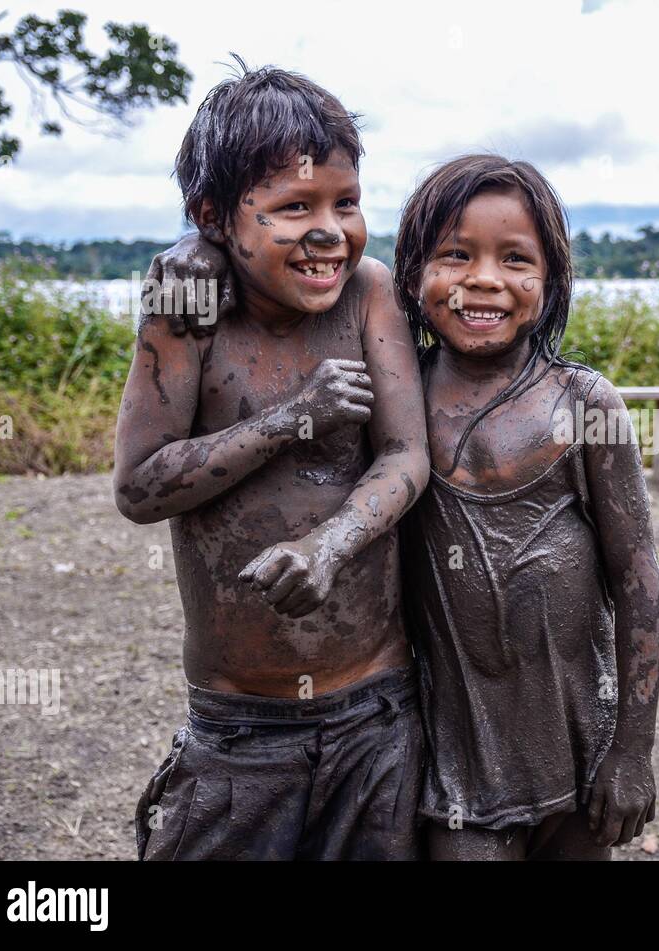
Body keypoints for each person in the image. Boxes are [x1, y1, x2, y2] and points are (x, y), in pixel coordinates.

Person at [112, 63, 429, 860]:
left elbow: (405, 454)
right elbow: (141, 485)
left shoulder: (369, 292)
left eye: (345, 203)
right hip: (238, 724)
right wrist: (291, 420)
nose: (329, 230)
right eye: (295, 207)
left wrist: (331, 544)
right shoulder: (186, 308)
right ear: (215, 216)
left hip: (376, 710)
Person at [394, 154, 659, 859]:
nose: (484, 278)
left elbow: (639, 585)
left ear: (549, 284)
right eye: (455, 255)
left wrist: (631, 750)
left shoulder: (584, 405)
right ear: (413, 273)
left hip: (577, 752)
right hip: (456, 765)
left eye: (516, 258)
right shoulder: (397, 400)